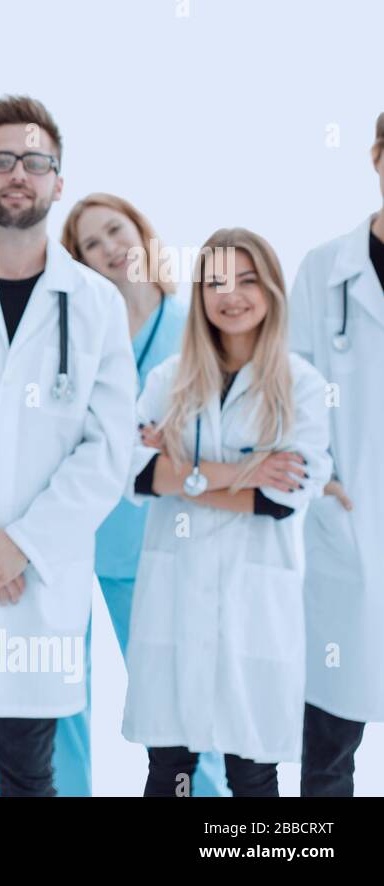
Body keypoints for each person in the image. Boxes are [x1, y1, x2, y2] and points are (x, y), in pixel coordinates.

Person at [0, 96, 137, 798]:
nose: (16, 174)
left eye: (34, 161)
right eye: (0, 161)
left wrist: (18, 543)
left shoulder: (94, 303)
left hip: (36, 582)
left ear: (57, 179)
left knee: (30, 773)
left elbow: (107, 450)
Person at [123, 228, 331, 797]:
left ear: (271, 290)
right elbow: (134, 475)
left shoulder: (302, 386)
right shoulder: (168, 380)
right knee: (170, 770)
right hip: (174, 591)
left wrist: (183, 471)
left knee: (253, 771)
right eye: (215, 281)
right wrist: (242, 471)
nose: (230, 295)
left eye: (246, 280)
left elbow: (282, 499)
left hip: (254, 602)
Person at [60, 193, 228, 797]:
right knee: (58, 703)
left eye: (116, 231)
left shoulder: (198, 327)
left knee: (176, 707)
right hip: (76, 541)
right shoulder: (81, 338)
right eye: (91, 244)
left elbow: (228, 429)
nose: (110, 249)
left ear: (143, 234)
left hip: (163, 547)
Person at [288, 112, 384, 796]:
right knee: (328, 741)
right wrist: (321, 484)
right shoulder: (326, 270)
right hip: (349, 524)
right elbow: (293, 388)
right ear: (378, 156)